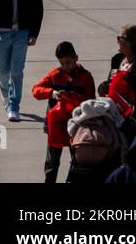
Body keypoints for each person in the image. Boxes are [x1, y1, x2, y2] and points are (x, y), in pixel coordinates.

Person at [31, 40, 96, 183]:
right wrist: (52, 93)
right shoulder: (54, 75)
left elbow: (90, 100)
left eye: (68, 62)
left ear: (76, 58)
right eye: (62, 63)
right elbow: (36, 91)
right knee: (52, 162)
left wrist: (71, 96)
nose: (65, 67)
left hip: (77, 125)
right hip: (55, 125)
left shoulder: (86, 77)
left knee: (77, 160)